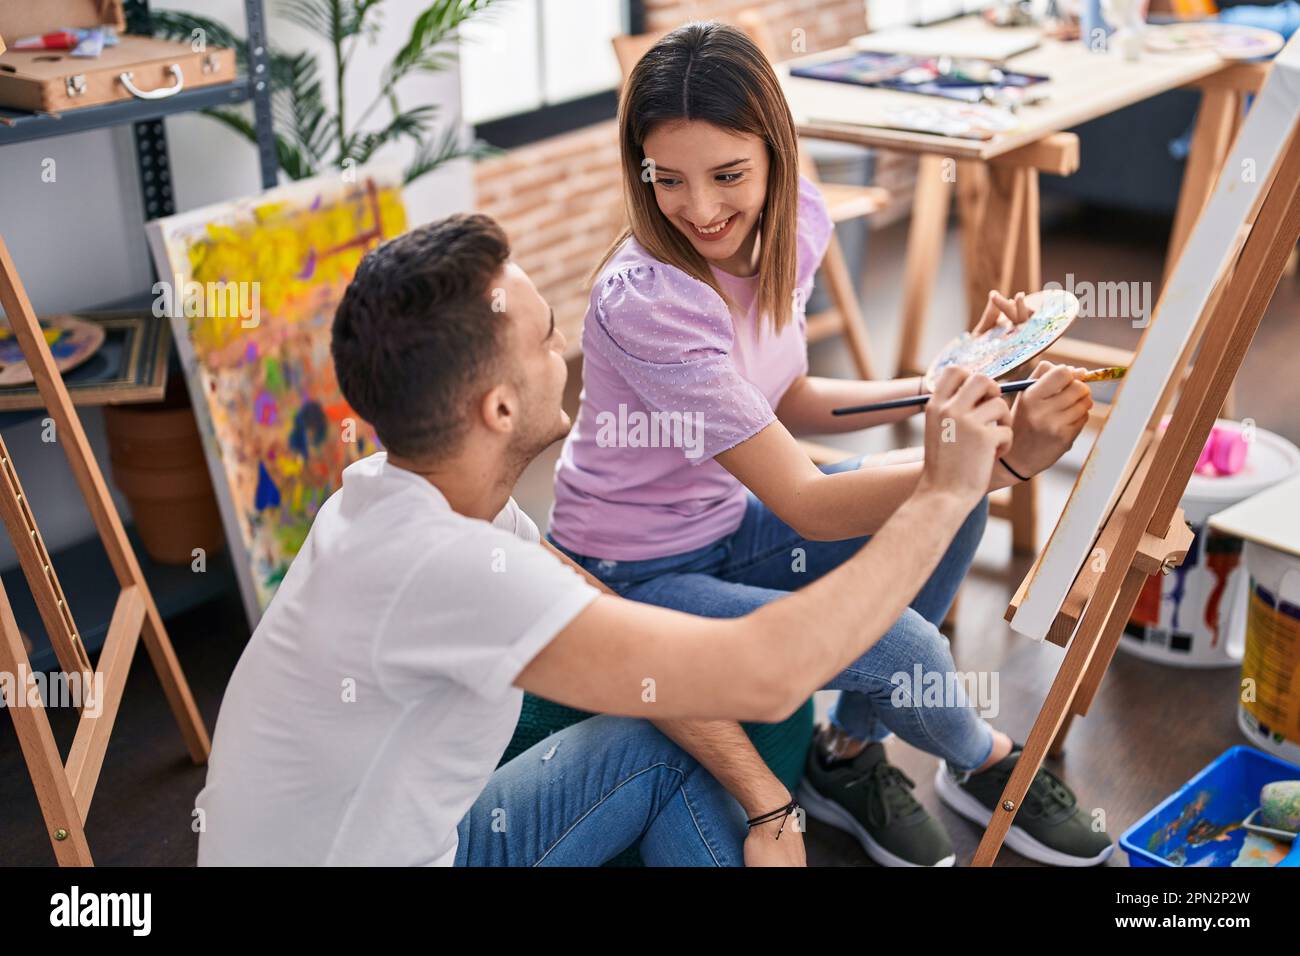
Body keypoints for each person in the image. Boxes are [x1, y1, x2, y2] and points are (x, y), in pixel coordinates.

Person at [194, 212, 1015, 867]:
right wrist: (944, 491)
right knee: (678, 738)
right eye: (549, 336)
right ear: (498, 411)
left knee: (654, 735)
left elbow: (603, 604)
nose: (568, 352)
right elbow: (768, 673)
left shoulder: (394, 490)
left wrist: (769, 799)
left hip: (383, 839)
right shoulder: (445, 566)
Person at [547, 21, 1112, 867]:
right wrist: (993, 464)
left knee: (944, 509)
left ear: (776, 154)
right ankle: (992, 762)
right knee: (915, 629)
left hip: (726, 526)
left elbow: (793, 398)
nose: (701, 210)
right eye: (669, 180)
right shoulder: (648, 300)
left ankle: (846, 757)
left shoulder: (796, 222)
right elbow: (807, 504)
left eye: (729, 175)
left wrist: (959, 377)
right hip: (636, 575)